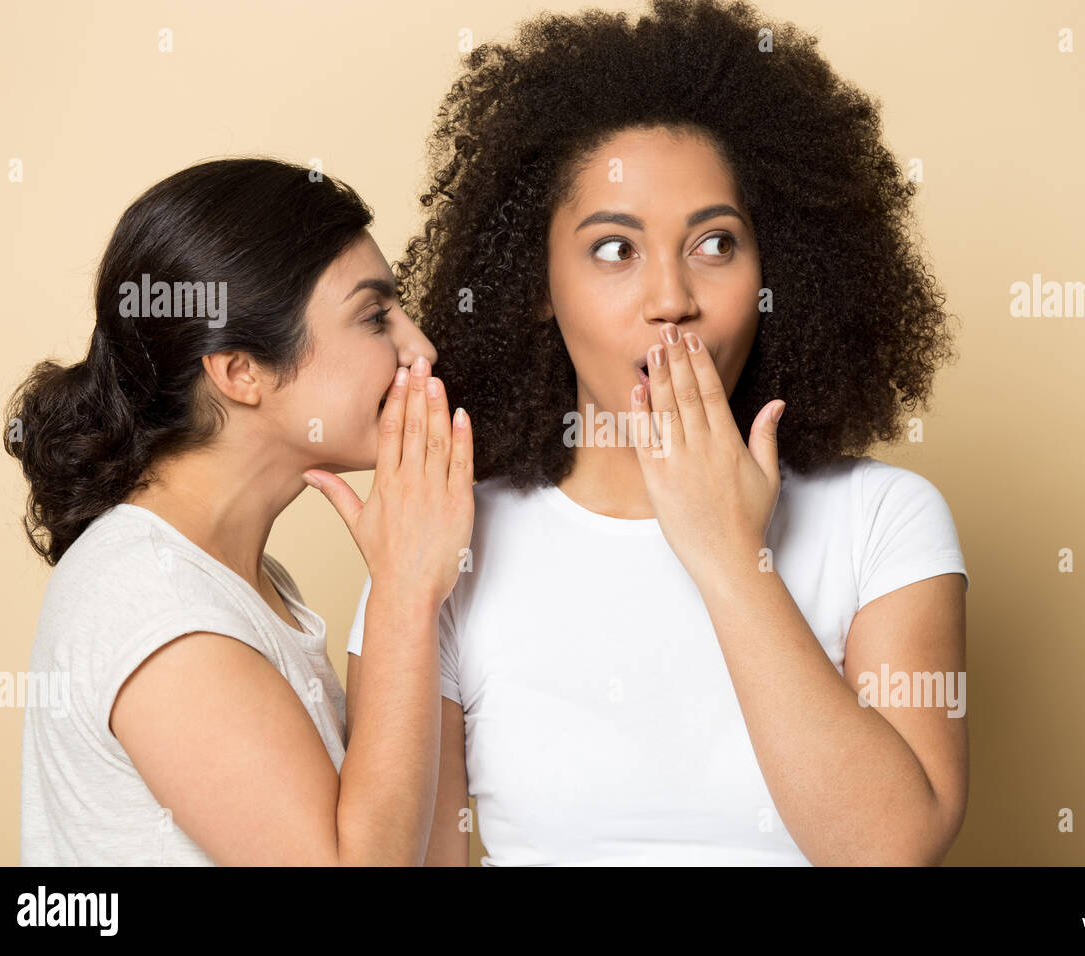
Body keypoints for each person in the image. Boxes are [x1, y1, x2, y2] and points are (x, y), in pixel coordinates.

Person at [349, 0, 970, 865]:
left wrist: (726, 550)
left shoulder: (883, 519)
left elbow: (892, 848)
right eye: (614, 250)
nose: (671, 298)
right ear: (537, 283)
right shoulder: (443, 540)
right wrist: (405, 597)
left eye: (716, 243)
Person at [7, 157, 473, 865]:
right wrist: (407, 591)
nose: (420, 350)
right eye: (376, 316)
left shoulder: (243, 581)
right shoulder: (150, 598)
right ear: (240, 371)